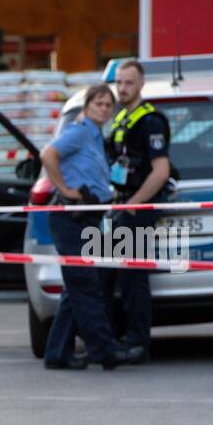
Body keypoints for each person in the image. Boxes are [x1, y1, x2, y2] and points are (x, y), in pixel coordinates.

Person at [39, 83, 145, 370]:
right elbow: (48, 155)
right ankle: (105, 351)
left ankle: (57, 352)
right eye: (98, 103)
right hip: (71, 216)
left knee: (75, 289)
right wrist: (66, 189)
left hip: (90, 218)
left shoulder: (96, 135)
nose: (103, 109)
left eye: (108, 105)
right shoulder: (78, 132)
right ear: (87, 106)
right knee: (87, 286)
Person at [103, 59, 175, 362]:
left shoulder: (150, 121)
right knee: (110, 274)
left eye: (128, 83)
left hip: (136, 209)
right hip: (119, 207)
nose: (122, 89)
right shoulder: (121, 119)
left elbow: (160, 171)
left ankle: (137, 343)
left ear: (141, 84)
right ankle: (112, 339)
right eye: (119, 83)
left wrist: (133, 205)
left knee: (133, 277)